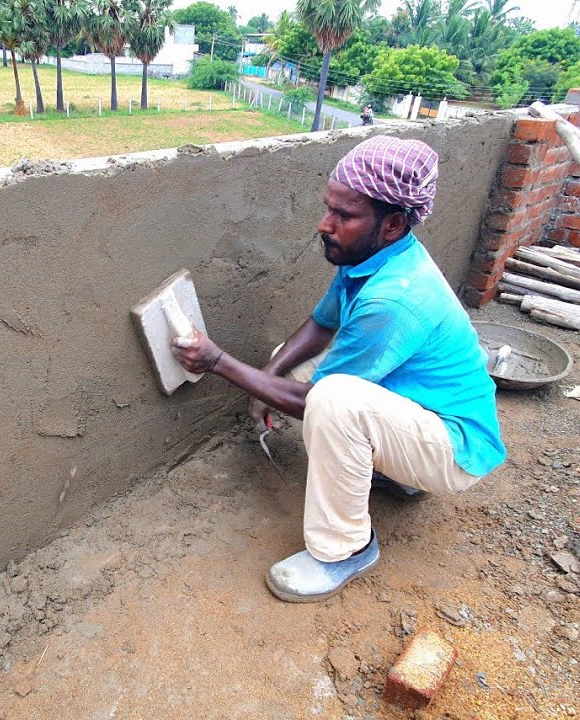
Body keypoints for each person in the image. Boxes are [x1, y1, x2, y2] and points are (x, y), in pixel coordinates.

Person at [169, 136, 505, 603]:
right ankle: (393, 473)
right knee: (289, 360)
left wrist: (218, 362)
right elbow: (321, 325)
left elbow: (313, 402)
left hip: (452, 447)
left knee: (334, 400)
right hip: (420, 411)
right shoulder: (368, 255)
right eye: (329, 208)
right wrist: (268, 379)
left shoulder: (395, 299)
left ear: (391, 224)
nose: (324, 225)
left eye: (343, 216)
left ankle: (345, 549)